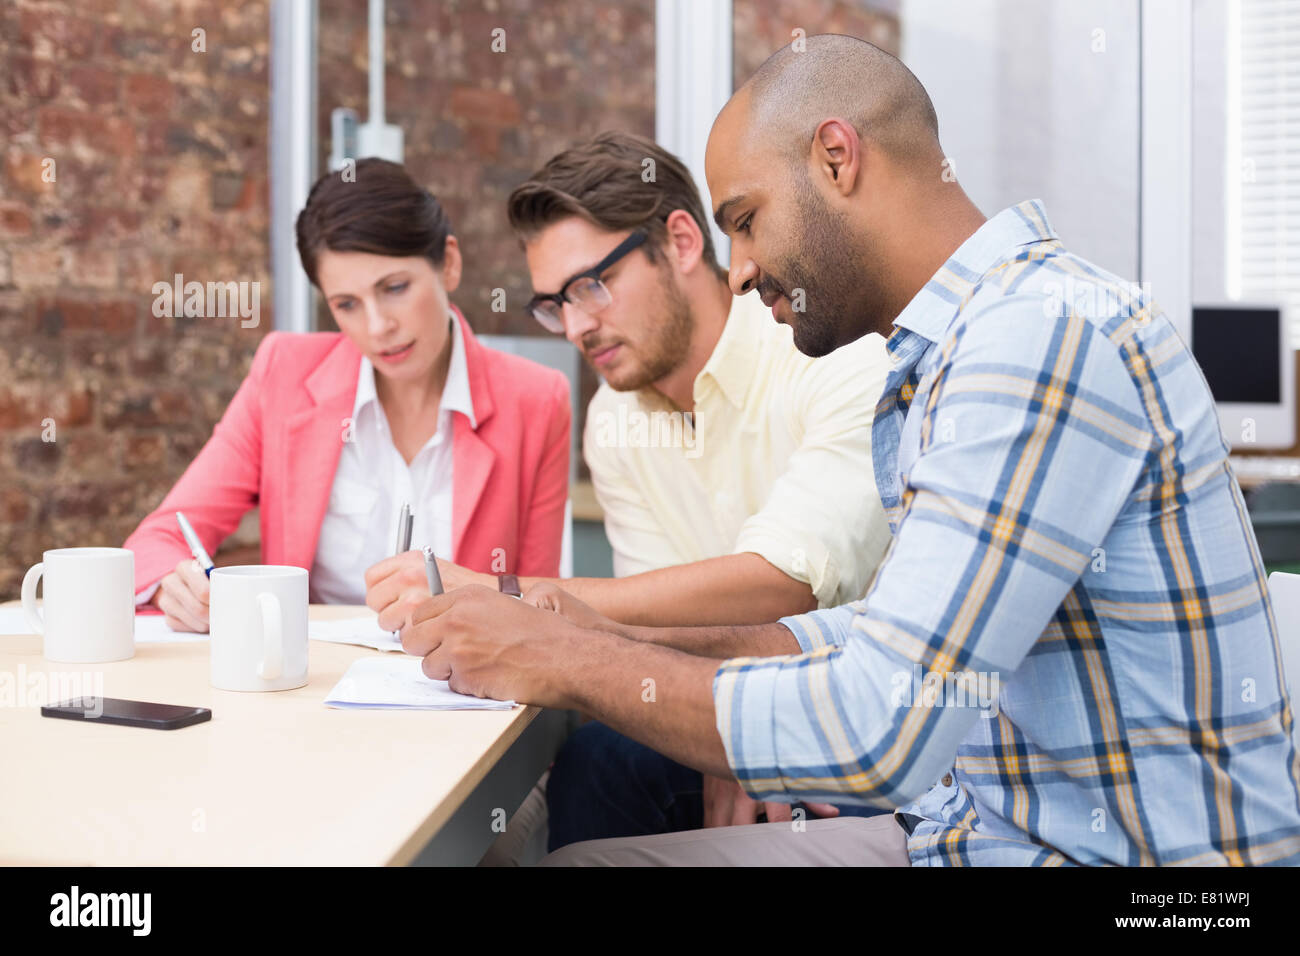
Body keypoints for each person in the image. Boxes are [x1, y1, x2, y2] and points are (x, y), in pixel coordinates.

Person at [392, 35, 1300, 867]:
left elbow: (879, 728)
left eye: (745, 219)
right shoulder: (958, 348)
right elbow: (876, 634)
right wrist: (584, 623)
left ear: (838, 157)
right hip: (970, 834)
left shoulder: (1036, 338)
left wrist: (559, 660)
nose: (737, 267)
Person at [364, 132, 895, 856]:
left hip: (864, 712)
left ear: (680, 241)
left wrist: (510, 592)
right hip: (728, 700)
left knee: (599, 765)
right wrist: (716, 731)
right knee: (599, 759)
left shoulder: (823, 347)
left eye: (592, 285)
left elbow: (789, 581)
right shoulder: (614, 419)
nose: (578, 325)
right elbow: (660, 624)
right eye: (555, 304)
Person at [123, 158, 571, 631]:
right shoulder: (284, 375)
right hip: (307, 683)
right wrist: (175, 586)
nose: (378, 327)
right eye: (347, 305)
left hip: (461, 688)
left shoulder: (536, 400)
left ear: (450, 264)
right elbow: (157, 539)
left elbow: (539, 600)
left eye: (395, 288)